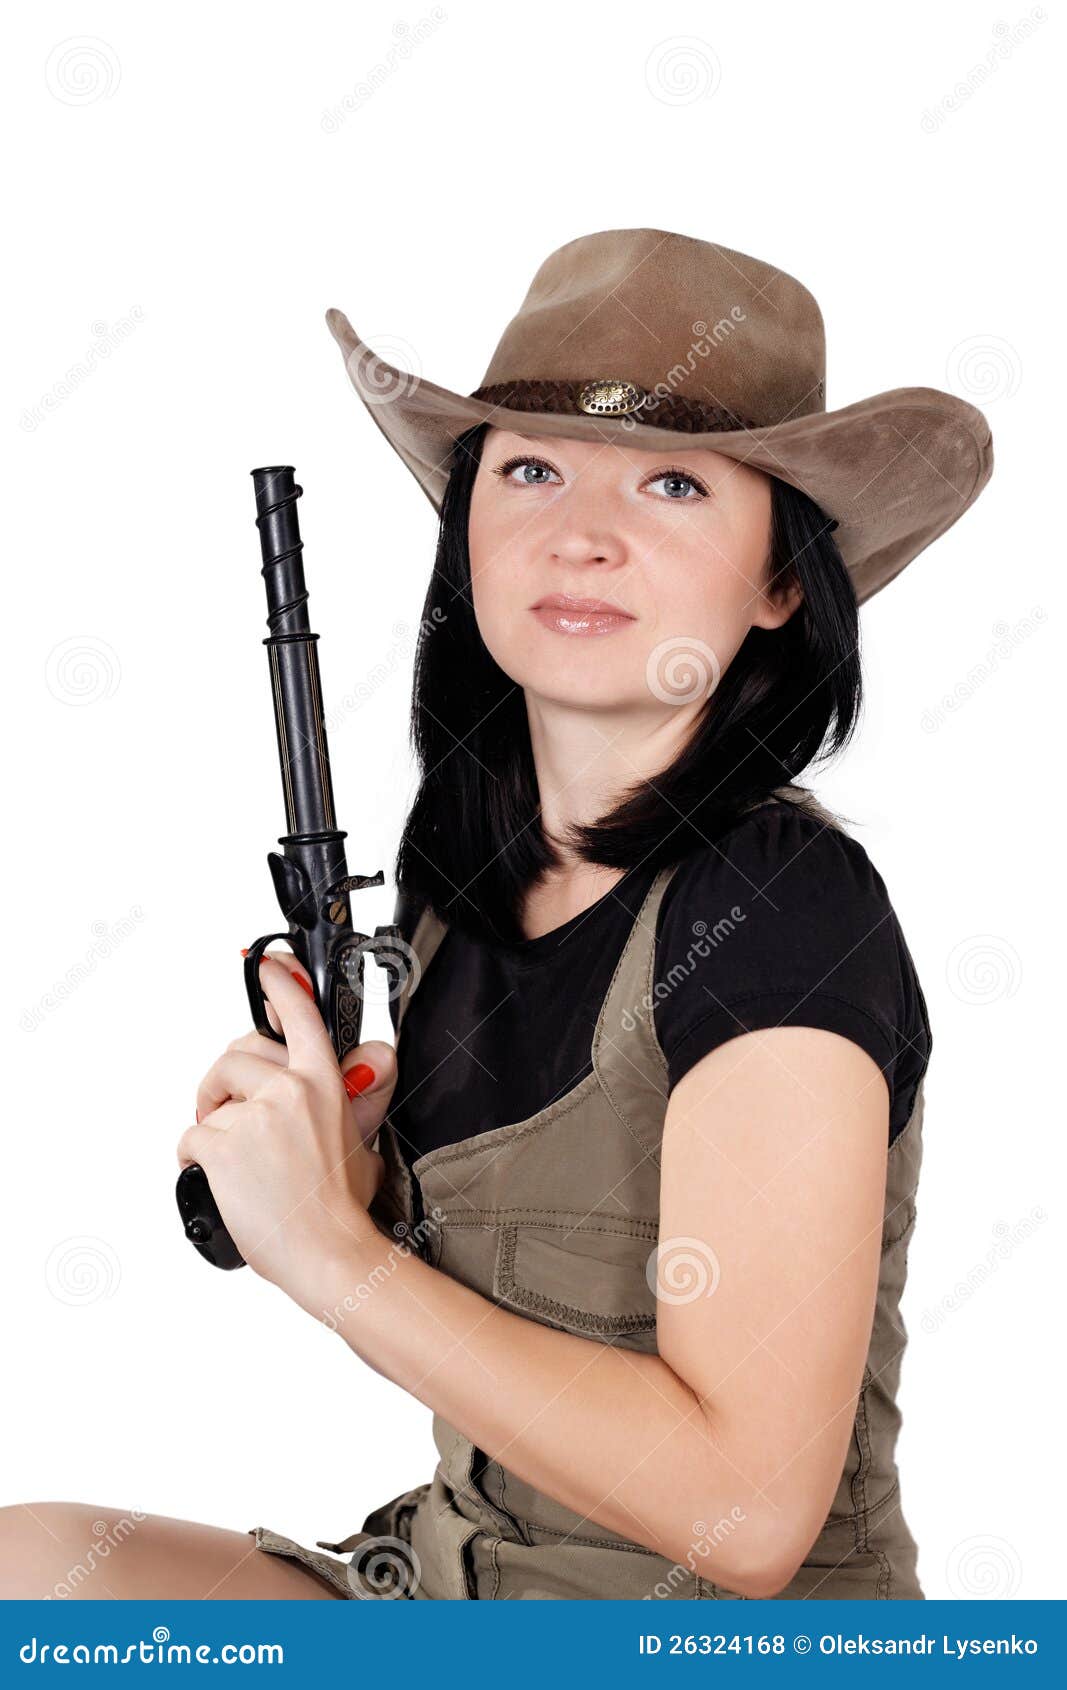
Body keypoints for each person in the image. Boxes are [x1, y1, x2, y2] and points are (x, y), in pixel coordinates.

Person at [0, 230, 993, 1601]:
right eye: (528, 467)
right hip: (467, 1590)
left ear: (781, 581)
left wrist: (341, 1260)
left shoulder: (778, 908)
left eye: (674, 481)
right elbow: (495, 1336)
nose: (579, 532)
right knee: (29, 1567)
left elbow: (749, 1517)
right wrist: (341, 1191)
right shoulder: (463, 893)